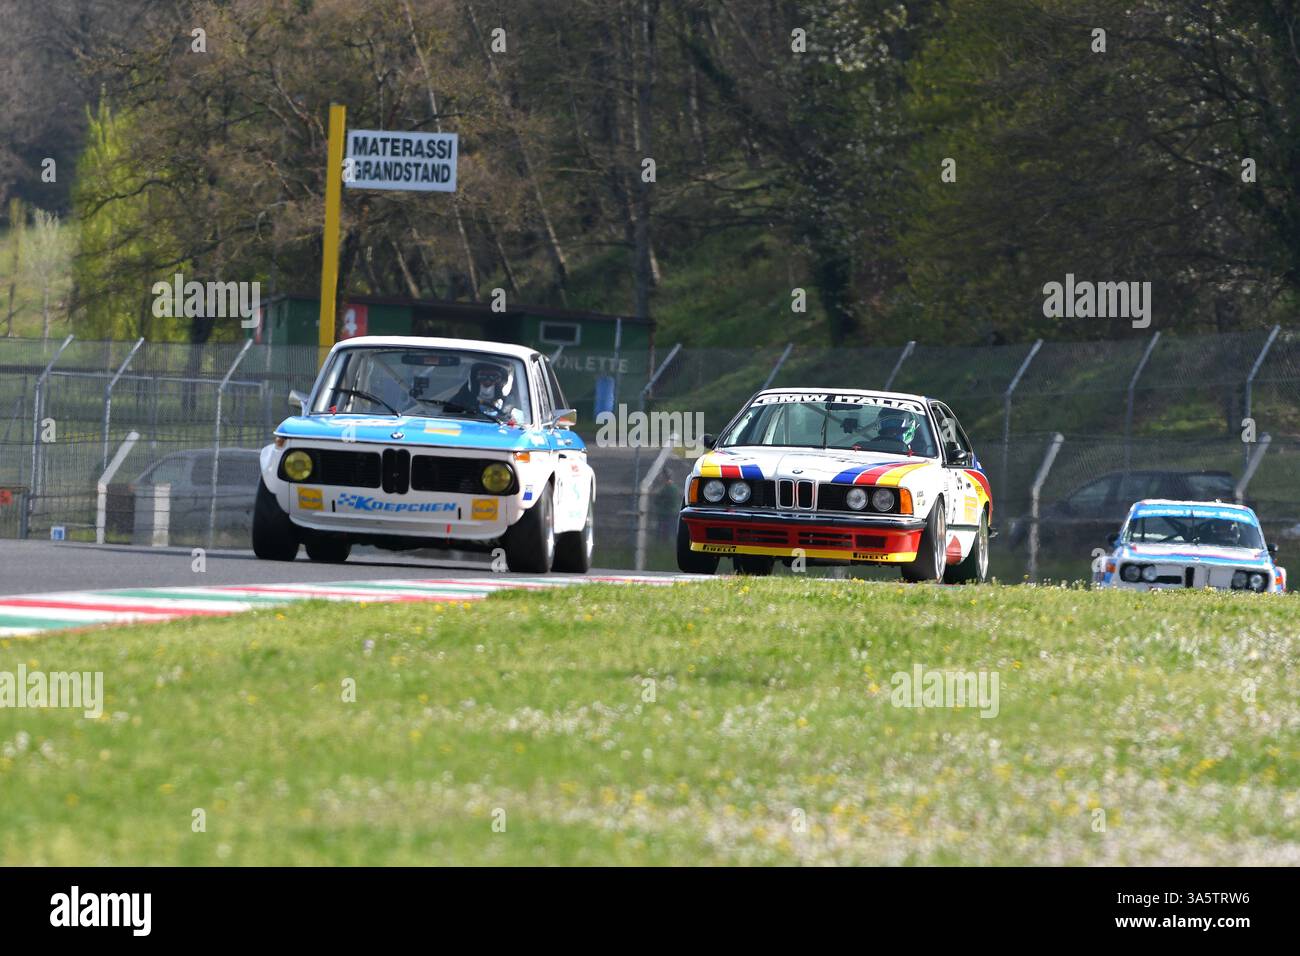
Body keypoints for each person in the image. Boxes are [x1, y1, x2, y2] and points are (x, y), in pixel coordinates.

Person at [450, 362, 519, 421]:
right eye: (482, 376)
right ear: (474, 380)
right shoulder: (461, 400)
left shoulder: (513, 406)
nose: (488, 381)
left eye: (494, 376)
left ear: (503, 381)